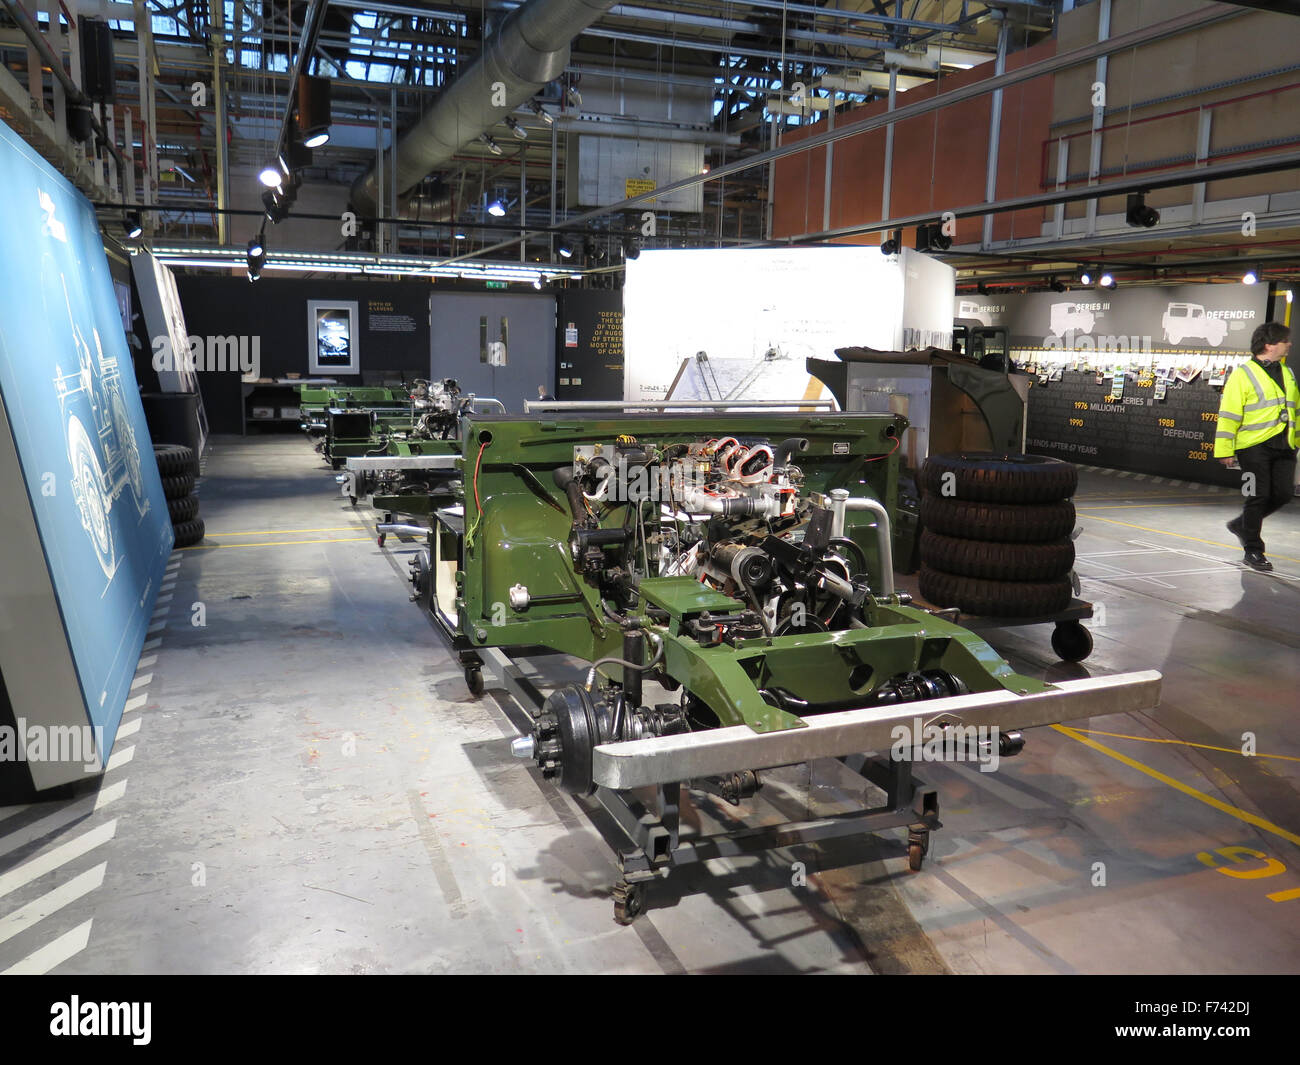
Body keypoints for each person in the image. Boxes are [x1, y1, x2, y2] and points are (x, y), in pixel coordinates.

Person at [1216, 321, 1298, 571]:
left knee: (1283, 494)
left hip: (1284, 446)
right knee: (1257, 495)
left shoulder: (1288, 373)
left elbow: (1295, 411)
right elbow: (1228, 414)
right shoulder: (1242, 374)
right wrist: (1224, 450)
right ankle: (1253, 549)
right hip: (1253, 447)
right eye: (1285, 340)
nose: (1289, 344)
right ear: (1269, 344)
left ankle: (1242, 524)